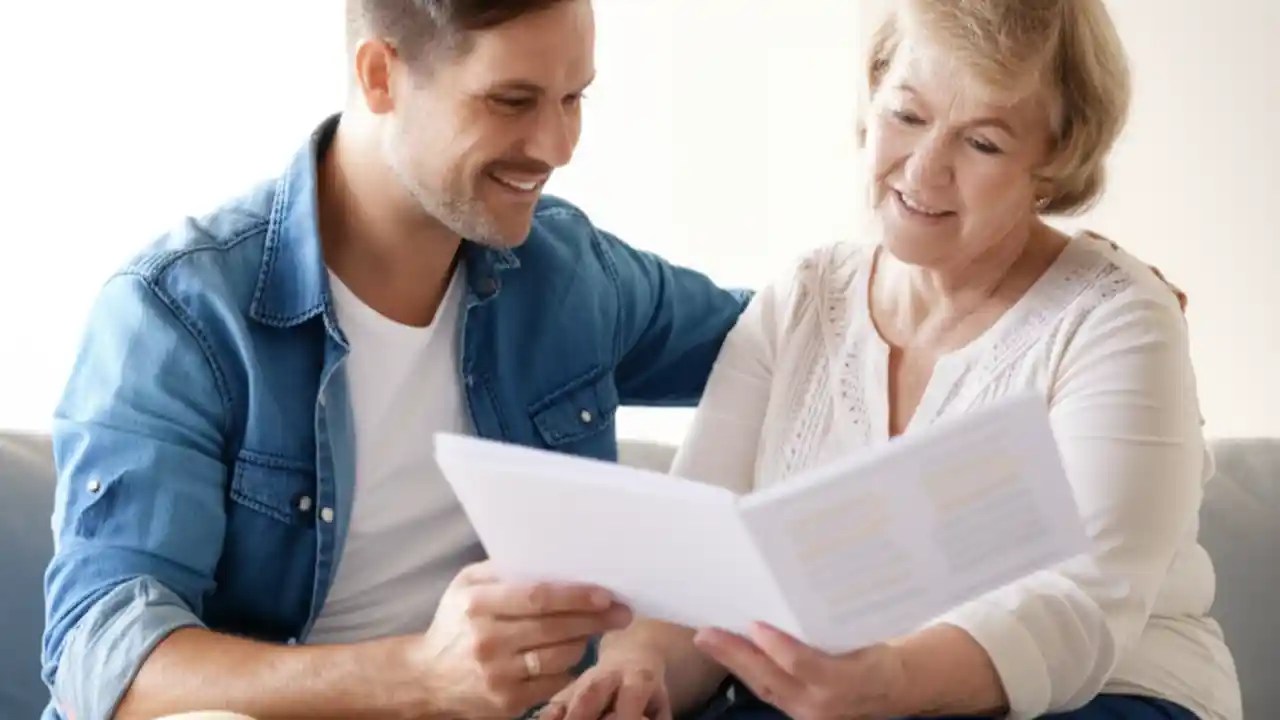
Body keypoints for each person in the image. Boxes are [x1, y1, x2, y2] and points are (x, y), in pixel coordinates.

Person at [40, 1, 750, 719]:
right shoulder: (182, 313)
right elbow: (107, 663)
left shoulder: (568, 278)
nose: (557, 145)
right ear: (381, 76)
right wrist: (421, 676)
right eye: (512, 101)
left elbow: (795, 337)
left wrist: (644, 654)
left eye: (574, 99)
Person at [547, 1, 1241, 719]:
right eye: (907, 116)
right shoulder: (803, 298)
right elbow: (692, 574)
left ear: (1055, 159)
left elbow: (1085, 605)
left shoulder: (1117, 320)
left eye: (983, 143)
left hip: (1100, 696)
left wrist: (888, 682)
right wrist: (638, 673)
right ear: (872, 95)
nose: (925, 170)